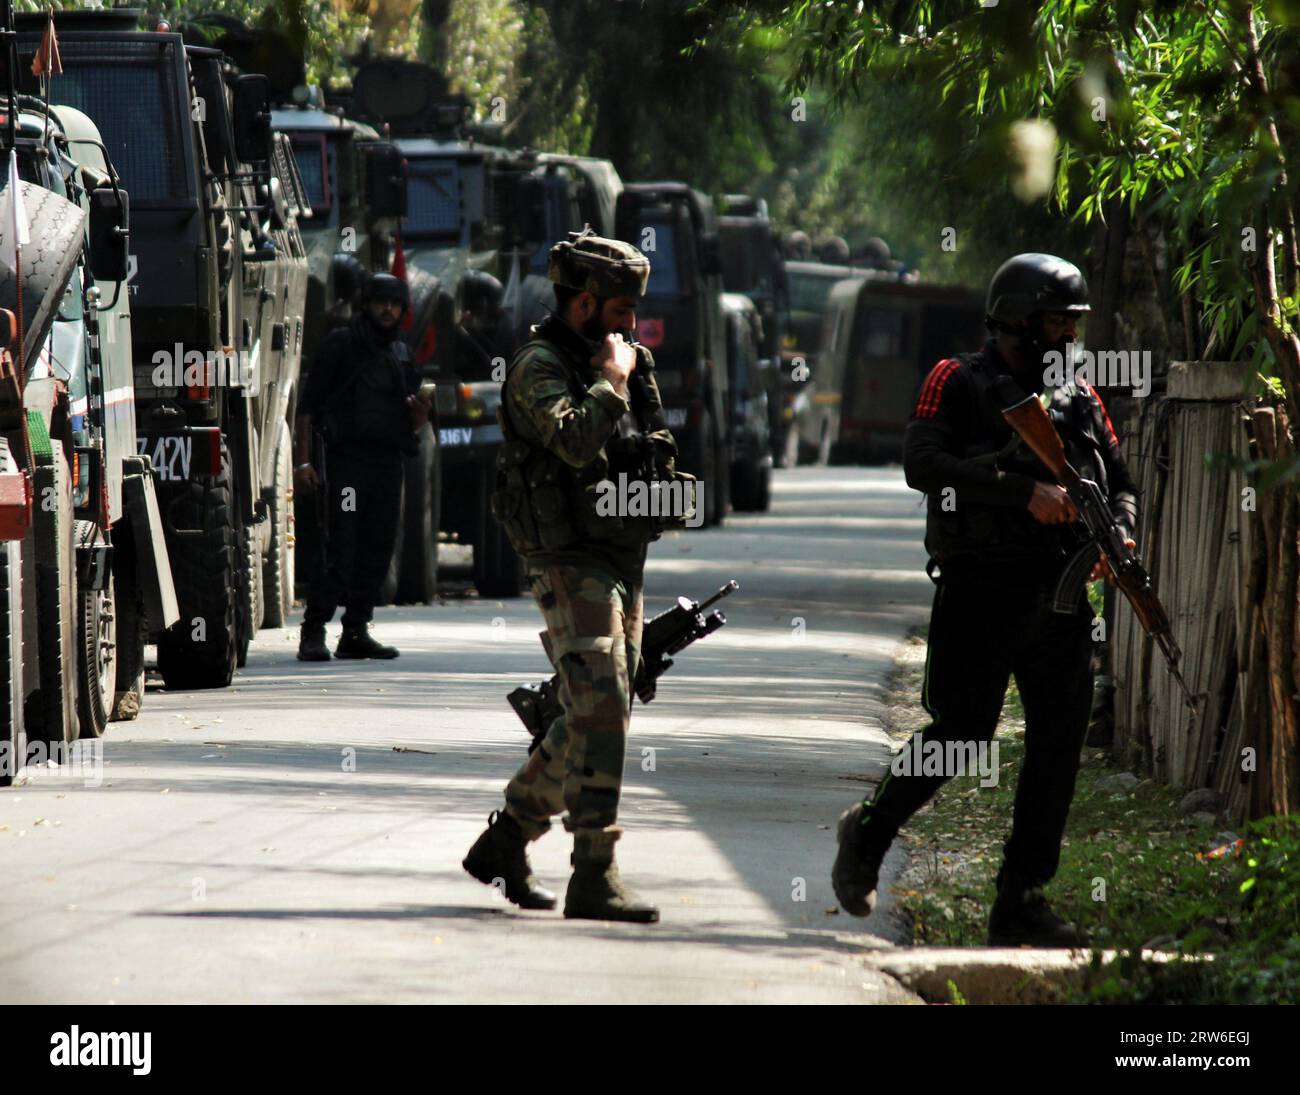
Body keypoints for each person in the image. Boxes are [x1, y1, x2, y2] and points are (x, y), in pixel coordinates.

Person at [831, 253, 1139, 947]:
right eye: (1059, 324)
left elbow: (1120, 478)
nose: (1069, 338)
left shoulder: (1081, 398)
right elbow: (923, 463)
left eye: (1074, 325)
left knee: (1057, 748)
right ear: (1022, 322)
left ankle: (1020, 900)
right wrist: (1020, 490)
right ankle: (870, 831)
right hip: (979, 592)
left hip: (1058, 599)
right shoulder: (956, 380)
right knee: (961, 734)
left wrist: (1120, 530)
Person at [462, 228, 683, 923]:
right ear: (585, 304)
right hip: (567, 558)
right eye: (620, 311)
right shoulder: (537, 365)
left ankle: (505, 839)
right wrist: (611, 381)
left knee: (587, 712)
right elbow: (576, 442)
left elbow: (658, 445)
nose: (632, 326)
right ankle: (596, 870)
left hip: (623, 552)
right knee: (604, 706)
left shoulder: (630, 359)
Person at [294, 272, 432, 661]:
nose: (387, 310)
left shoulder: (401, 353)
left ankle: (356, 630)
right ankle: (314, 631)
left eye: (395, 304)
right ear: (366, 304)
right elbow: (308, 406)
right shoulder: (342, 344)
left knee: (378, 548)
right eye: (381, 302)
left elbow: (414, 421)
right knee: (340, 545)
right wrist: (303, 461)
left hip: (387, 466)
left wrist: (420, 412)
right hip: (348, 467)